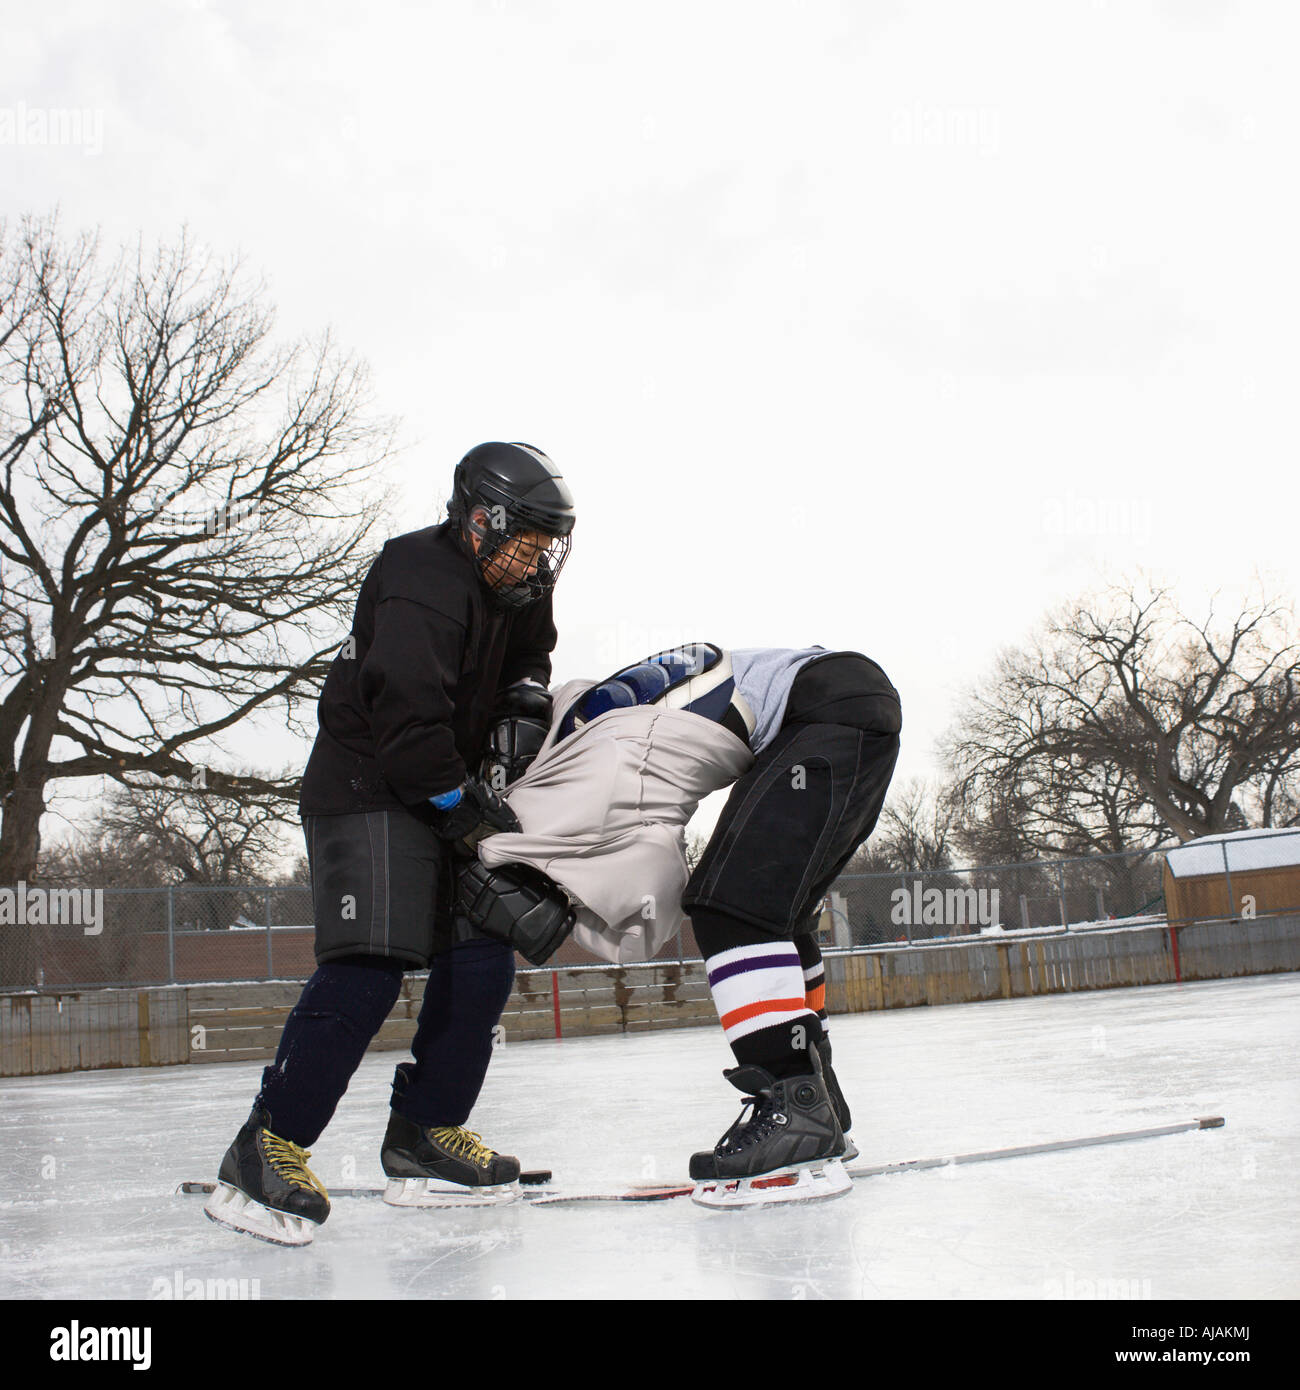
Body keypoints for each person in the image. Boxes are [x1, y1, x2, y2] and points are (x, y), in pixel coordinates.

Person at [204, 442, 576, 1245]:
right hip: (368, 786)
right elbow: (406, 725)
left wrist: (520, 709)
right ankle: (269, 1144)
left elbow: (530, 658)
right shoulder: (420, 578)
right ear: (479, 521)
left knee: (481, 953)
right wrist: (465, 813)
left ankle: (425, 1134)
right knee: (373, 959)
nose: (537, 561)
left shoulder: (517, 587)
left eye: (549, 547)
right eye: (527, 542)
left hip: (448, 783)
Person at [456, 643, 901, 1207]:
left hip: (824, 711)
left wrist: (559, 902)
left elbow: (652, 914)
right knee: (779, 914)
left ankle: (795, 1112)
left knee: (727, 906)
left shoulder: (594, 757)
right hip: (844, 698)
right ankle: (817, 1096)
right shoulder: (579, 709)